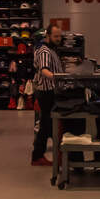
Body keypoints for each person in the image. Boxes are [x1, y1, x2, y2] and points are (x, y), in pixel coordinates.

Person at [29, 22, 64, 166]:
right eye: (56, 36)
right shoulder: (44, 51)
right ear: (48, 36)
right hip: (47, 92)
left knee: (47, 124)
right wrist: (58, 78)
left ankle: (41, 155)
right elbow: (44, 70)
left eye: (60, 36)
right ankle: (38, 156)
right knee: (46, 124)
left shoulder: (51, 49)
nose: (58, 39)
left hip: (50, 90)